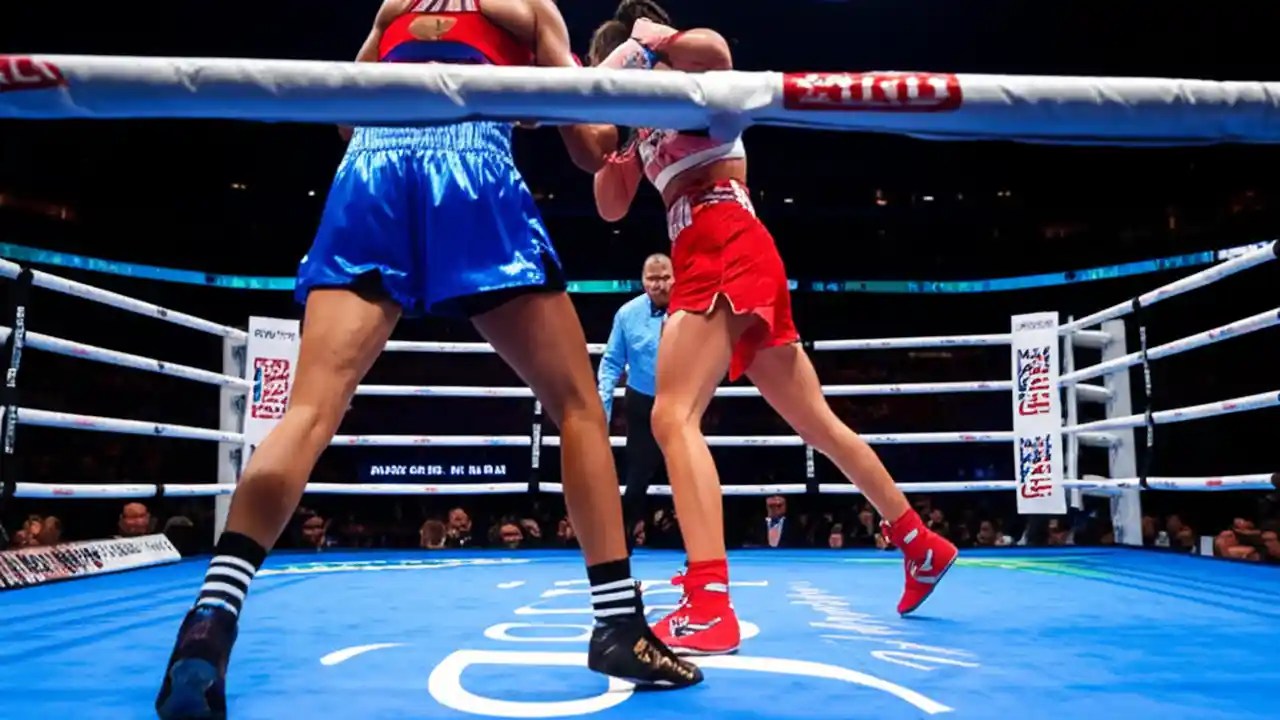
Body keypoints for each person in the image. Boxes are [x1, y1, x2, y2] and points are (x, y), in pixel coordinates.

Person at [154, 2, 700, 716]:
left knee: (311, 411)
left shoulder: (394, 5)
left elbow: (347, 116)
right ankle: (619, 624)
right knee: (575, 406)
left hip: (369, 171)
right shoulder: (531, 7)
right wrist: (631, 63)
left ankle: (209, 622)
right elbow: (592, 143)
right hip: (470, 169)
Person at [588, 0, 960, 656]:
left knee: (672, 418)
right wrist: (617, 131)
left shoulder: (695, 78)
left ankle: (708, 603)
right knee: (816, 422)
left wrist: (655, 41)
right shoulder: (644, 121)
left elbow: (718, 50)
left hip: (722, 237)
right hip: (724, 246)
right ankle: (918, 542)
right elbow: (611, 206)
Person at [597, 253, 673, 543]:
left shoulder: (691, 310)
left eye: (665, 277)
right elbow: (612, 361)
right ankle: (622, 543)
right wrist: (602, 407)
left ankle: (700, 547)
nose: (660, 284)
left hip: (681, 400)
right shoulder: (628, 314)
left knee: (686, 470)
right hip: (642, 400)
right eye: (653, 278)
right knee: (637, 473)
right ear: (643, 281)